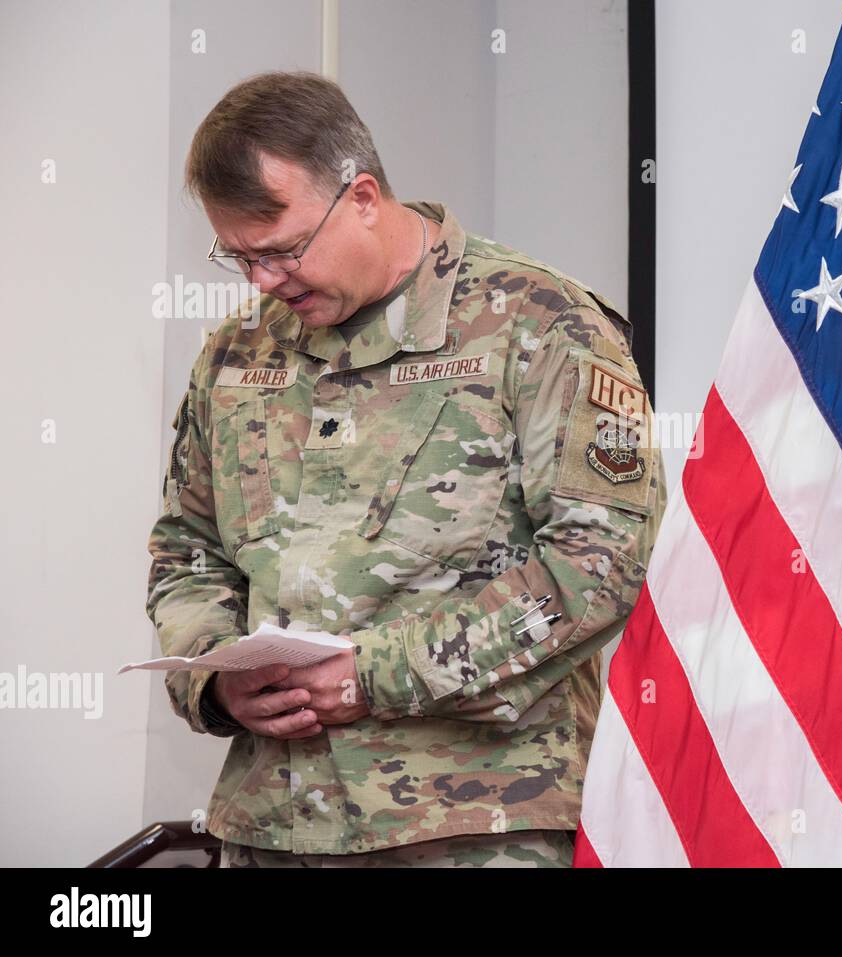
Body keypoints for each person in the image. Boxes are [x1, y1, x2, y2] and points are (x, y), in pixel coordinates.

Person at [146, 71, 663, 868]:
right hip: (269, 826)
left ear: (359, 197)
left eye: (281, 251)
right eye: (238, 258)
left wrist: (378, 675)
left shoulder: (540, 325)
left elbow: (600, 564)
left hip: (476, 826)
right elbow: (185, 547)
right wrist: (216, 681)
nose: (263, 282)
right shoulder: (238, 351)